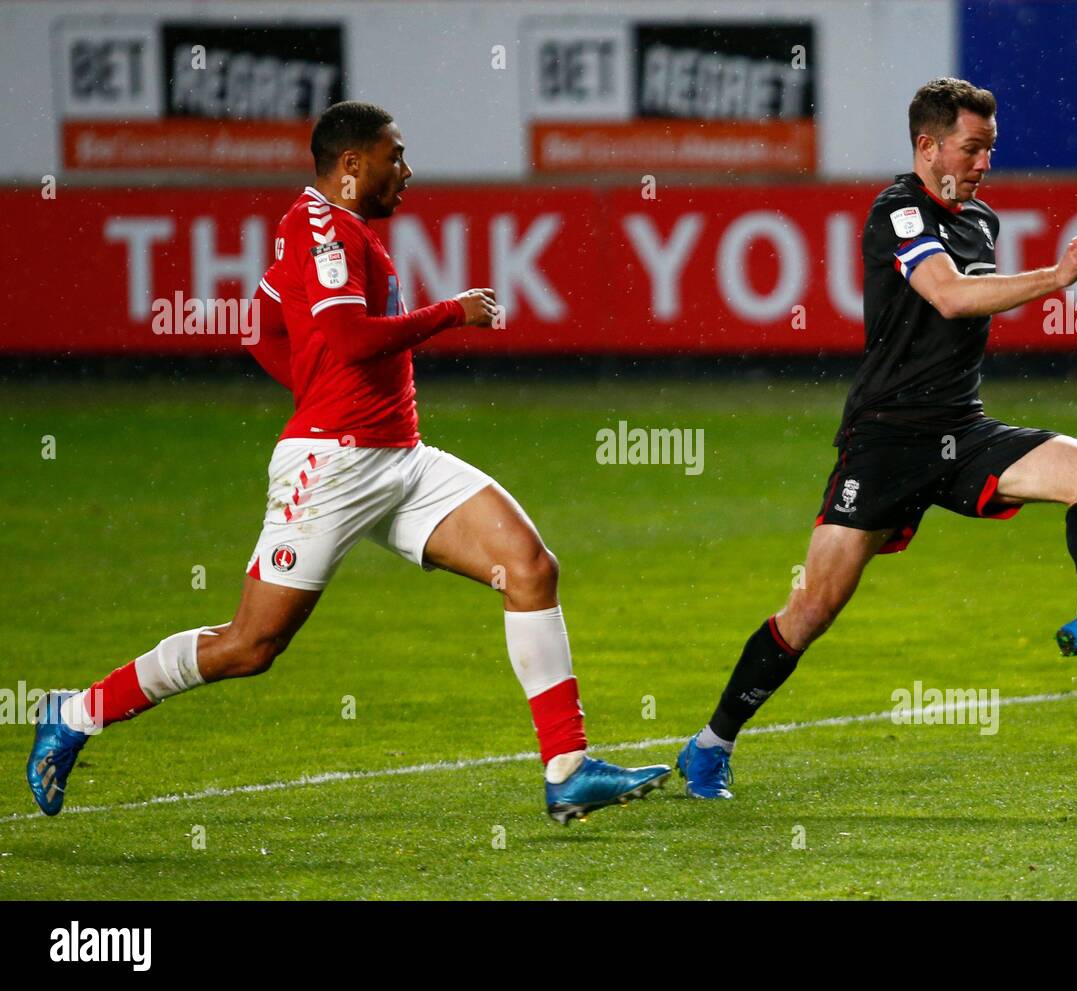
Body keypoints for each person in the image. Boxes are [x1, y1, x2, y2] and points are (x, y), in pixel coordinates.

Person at [28, 100, 669, 825]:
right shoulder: (323, 226)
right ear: (351, 165)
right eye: (395, 155)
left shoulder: (325, 227)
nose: (407, 170)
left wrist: (317, 384)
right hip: (331, 467)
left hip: (400, 458)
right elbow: (348, 337)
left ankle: (568, 768)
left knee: (530, 567)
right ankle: (75, 712)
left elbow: (261, 325)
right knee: (250, 644)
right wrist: (451, 312)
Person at [677, 78, 1077, 800]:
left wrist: (1044, 276)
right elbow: (949, 294)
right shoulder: (896, 211)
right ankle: (710, 744)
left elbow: (966, 302)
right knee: (811, 611)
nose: (984, 161)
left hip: (962, 430)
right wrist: (1055, 276)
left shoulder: (980, 220)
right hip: (885, 443)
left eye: (991, 147)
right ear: (927, 146)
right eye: (971, 146)